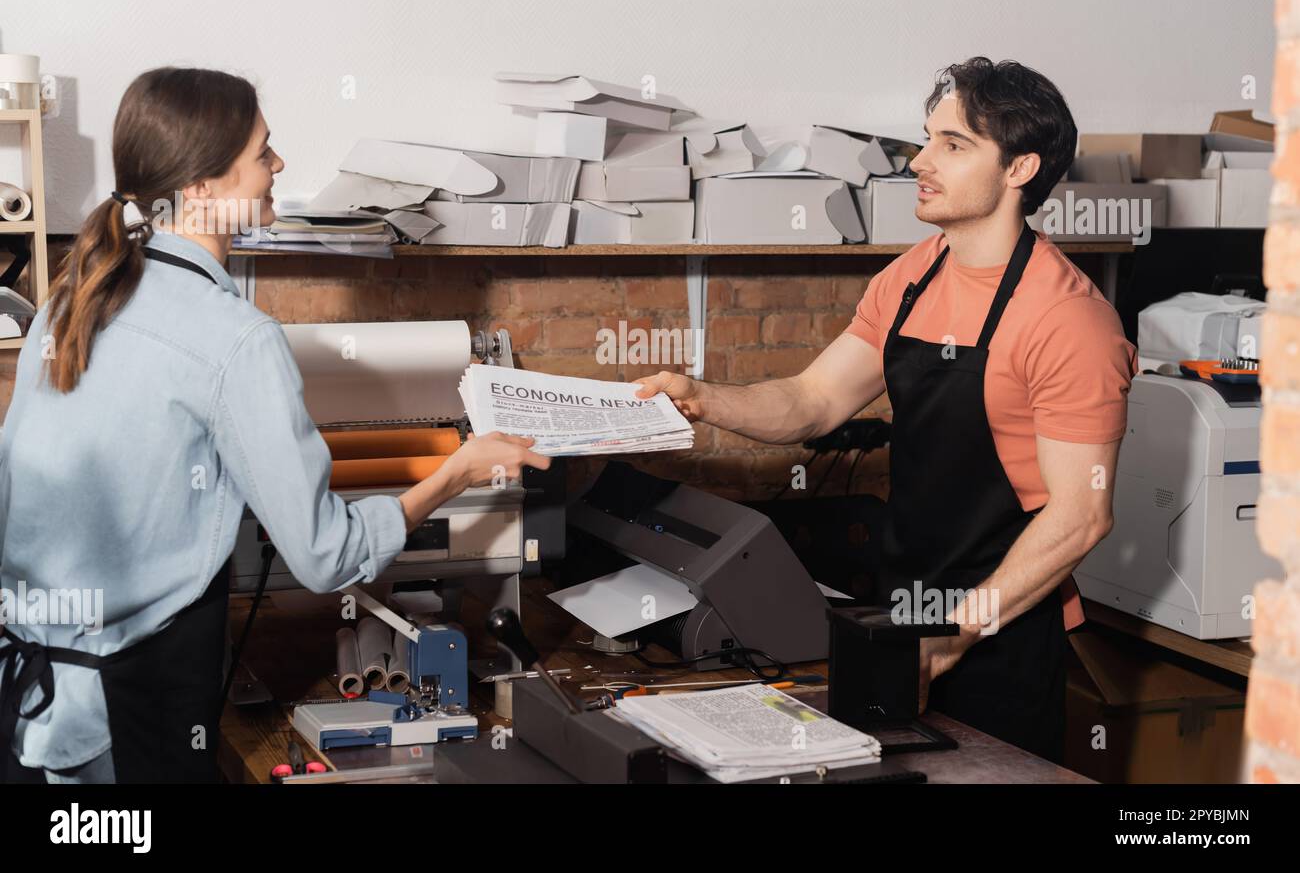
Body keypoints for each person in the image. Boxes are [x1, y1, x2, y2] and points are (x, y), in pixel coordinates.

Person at [0, 67, 549, 783]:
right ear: (200, 188)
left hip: (28, 710)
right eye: (263, 151)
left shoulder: (72, 294)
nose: (279, 165)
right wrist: (457, 471)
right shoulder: (237, 338)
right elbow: (325, 556)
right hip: (126, 724)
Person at [636, 57, 1137, 762]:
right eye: (926, 138)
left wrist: (955, 633)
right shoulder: (912, 276)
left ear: (1020, 169)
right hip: (905, 610)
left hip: (1002, 631)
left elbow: (1080, 516)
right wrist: (704, 397)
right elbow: (813, 400)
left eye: (953, 145)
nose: (921, 161)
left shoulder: (1069, 320)